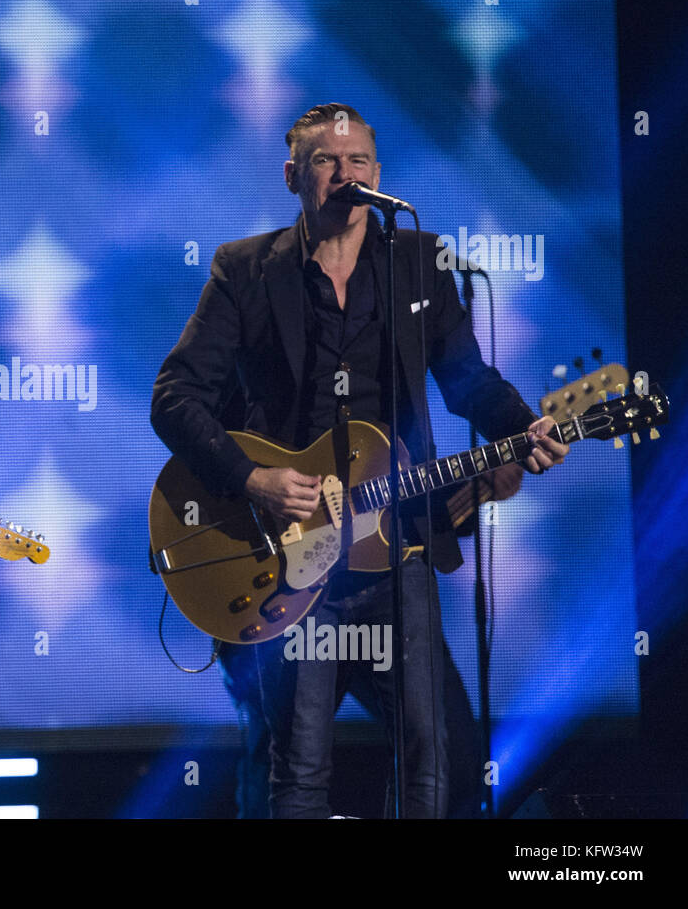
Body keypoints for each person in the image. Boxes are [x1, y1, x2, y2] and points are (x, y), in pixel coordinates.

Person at [150, 103, 567, 818]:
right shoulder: (244, 270)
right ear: (293, 176)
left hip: (393, 549)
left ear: (380, 175)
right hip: (286, 560)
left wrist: (525, 426)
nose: (345, 175)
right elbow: (174, 396)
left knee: (439, 760)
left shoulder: (418, 262)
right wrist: (254, 479)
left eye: (360, 162)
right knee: (300, 769)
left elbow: (467, 380)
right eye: (326, 161)